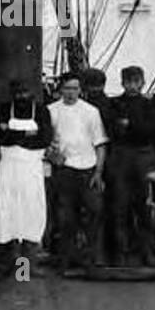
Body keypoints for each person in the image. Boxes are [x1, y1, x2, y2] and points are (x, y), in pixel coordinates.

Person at [47, 71, 108, 275]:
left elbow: (100, 144)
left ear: (80, 90)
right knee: (65, 217)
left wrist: (98, 172)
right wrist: (52, 155)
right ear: (60, 90)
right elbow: (45, 142)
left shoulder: (91, 111)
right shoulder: (51, 111)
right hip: (64, 170)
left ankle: (91, 258)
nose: (71, 93)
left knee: (94, 211)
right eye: (67, 88)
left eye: (75, 88)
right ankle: (66, 258)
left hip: (88, 169)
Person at [0, 79, 54, 275]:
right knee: (8, 215)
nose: (22, 97)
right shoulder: (3, 110)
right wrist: (27, 134)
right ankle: (5, 265)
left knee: (30, 214)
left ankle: (25, 269)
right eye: (18, 93)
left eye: (25, 92)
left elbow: (44, 139)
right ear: (12, 94)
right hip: (8, 170)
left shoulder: (42, 111)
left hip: (31, 170)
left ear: (32, 93)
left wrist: (12, 134)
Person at [106, 66, 155, 267]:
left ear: (142, 83)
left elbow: (153, 129)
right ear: (122, 83)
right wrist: (135, 128)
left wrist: (129, 125)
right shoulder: (114, 103)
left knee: (145, 207)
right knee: (120, 206)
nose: (132, 85)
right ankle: (121, 252)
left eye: (135, 81)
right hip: (121, 157)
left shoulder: (150, 105)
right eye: (128, 81)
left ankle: (147, 251)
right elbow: (113, 129)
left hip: (144, 158)